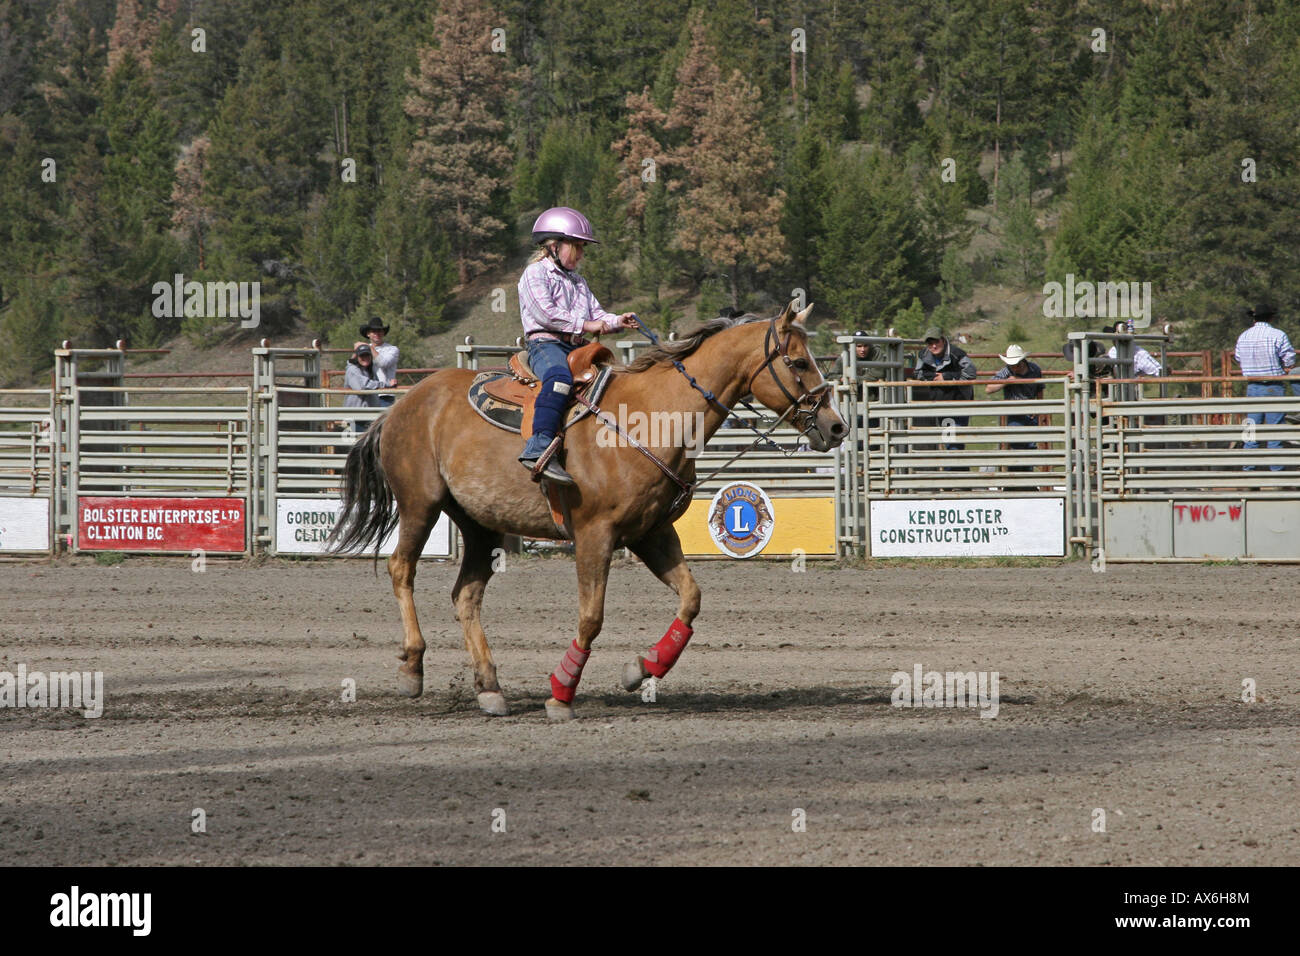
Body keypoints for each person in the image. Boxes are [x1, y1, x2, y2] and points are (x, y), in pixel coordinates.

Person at [517, 206, 639, 484]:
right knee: (559, 379)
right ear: (554, 245)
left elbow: (598, 315)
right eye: (577, 246)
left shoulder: (579, 283)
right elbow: (545, 314)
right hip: (545, 346)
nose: (581, 254)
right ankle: (539, 445)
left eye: (583, 248)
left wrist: (618, 320)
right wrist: (586, 326)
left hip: (577, 349)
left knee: (615, 382)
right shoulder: (535, 274)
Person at [1233, 302, 1295, 471]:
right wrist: (1285, 367)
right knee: (1275, 430)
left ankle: (1249, 471)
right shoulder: (1278, 335)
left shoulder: (1244, 336)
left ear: (1254, 318)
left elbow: (1238, 357)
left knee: (1251, 429)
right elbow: (1289, 358)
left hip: (1252, 386)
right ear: (1271, 317)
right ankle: (1276, 472)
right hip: (1273, 385)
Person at [915, 325, 977, 458]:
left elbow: (971, 373)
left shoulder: (957, 354)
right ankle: (955, 470)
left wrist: (946, 377)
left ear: (943, 340)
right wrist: (934, 377)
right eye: (930, 344)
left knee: (956, 440)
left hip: (959, 402)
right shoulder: (923, 355)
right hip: (940, 403)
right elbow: (919, 373)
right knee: (950, 440)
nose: (934, 346)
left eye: (936, 342)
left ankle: (956, 470)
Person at [986, 344, 1043, 472]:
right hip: (1013, 414)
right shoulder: (1006, 371)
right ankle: (1015, 480)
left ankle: (1027, 481)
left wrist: (1039, 408)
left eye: (1016, 364)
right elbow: (989, 388)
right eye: (1012, 365)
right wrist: (1006, 381)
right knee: (1016, 445)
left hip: (1031, 413)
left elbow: (1039, 390)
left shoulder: (1035, 370)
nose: (1014, 367)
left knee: (1030, 446)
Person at [343, 342, 385, 433]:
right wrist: (383, 385)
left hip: (368, 413)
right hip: (355, 414)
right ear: (357, 357)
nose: (365, 358)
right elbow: (362, 386)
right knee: (353, 442)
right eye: (362, 356)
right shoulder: (352, 370)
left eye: (367, 356)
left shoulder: (370, 370)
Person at [359, 316, 399, 406]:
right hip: (367, 394)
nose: (377, 333)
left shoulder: (392, 349)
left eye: (379, 331)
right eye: (374, 331)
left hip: (384, 394)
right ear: (368, 334)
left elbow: (383, 363)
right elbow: (354, 366)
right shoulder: (364, 348)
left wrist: (369, 348)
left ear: (383, 333)